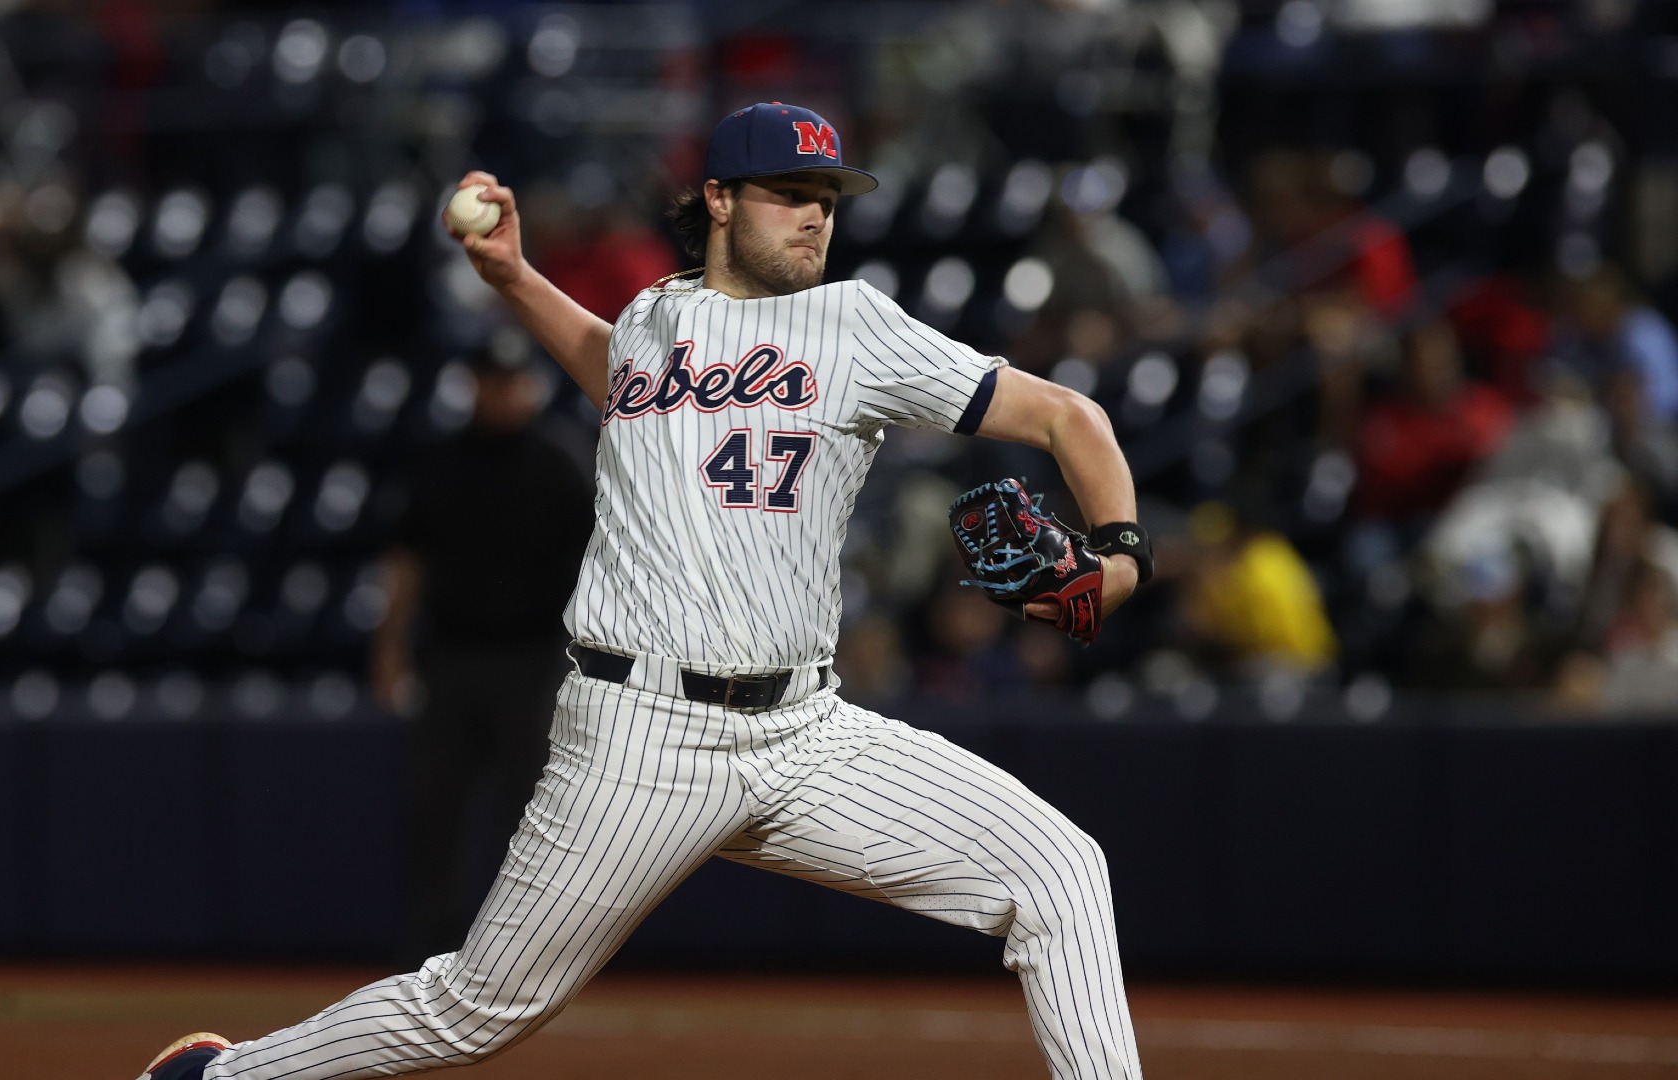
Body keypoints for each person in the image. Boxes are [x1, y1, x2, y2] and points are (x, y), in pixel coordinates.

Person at [138, 102, 1147, 1080]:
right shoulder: (655, 319)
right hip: (640, 735)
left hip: (806, 734)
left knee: (1060, 869)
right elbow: (611, 370)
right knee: (473, 1013)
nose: (814, 214)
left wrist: (1121, 555)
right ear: (716, 198)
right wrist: (516, 277)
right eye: (786, 191)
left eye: (827, 197)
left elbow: (1069, 418)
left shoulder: (855, 325)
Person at [369, 337, 595, 959]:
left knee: (535, 811)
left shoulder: (557, 462)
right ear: (472, 384)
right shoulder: (440, 464)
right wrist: (389, 650)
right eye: (490, 380)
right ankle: (435, 947)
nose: (501, 392)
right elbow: (405, 563)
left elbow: (598, 564)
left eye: (511, 380)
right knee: (437, 807)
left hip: (535, 662)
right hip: (452, 658)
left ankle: (531, 948)